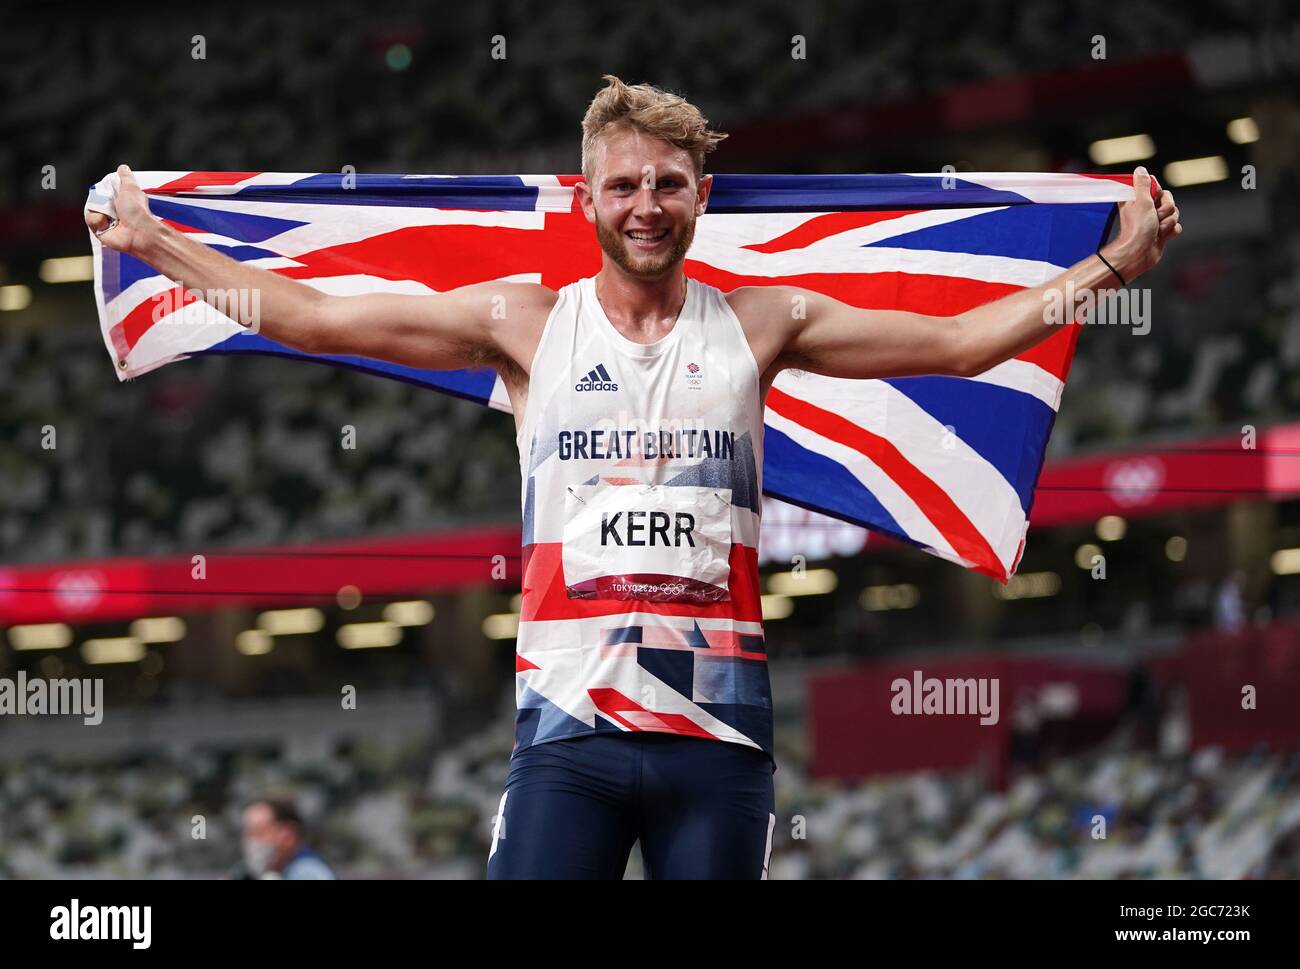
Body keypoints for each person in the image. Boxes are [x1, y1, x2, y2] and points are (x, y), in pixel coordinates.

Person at [88, 75, 1182, 879]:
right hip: (565, 730)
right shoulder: (521, 322)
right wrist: (154, 243)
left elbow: (955, 346)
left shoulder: (765, 321)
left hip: (719, 735)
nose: (646, 204)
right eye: (624, 186)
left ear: (700, 195)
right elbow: (311, 316)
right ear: (585, 199)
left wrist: (1107, 267)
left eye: (667, 183)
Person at [238, 798, 336, 880]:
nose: (251, 841)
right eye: (247, 833)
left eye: (259, 831)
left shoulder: (307, 873)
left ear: (288, 834)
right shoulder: (247, 873)